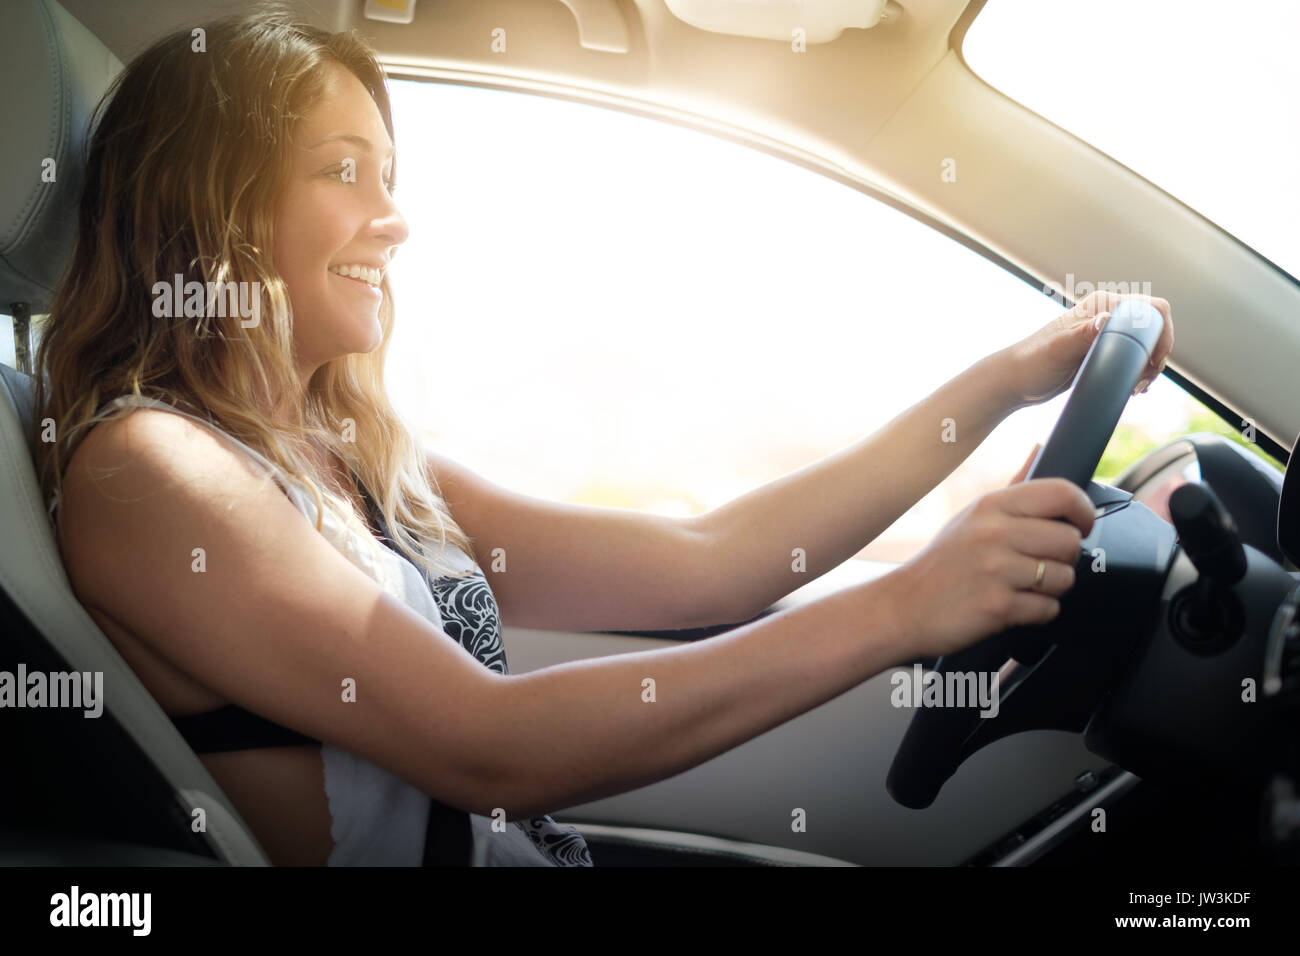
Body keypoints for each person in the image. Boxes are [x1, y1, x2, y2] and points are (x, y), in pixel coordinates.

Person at [31, 5, 1173, 866]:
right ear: (212, 205)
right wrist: (905, 607)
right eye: (343, 172)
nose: (397, 216)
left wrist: (998, 387)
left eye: (390, 174)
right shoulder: (147, 469)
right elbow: (485, 746)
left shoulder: (345, 449)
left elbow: (710, 561)